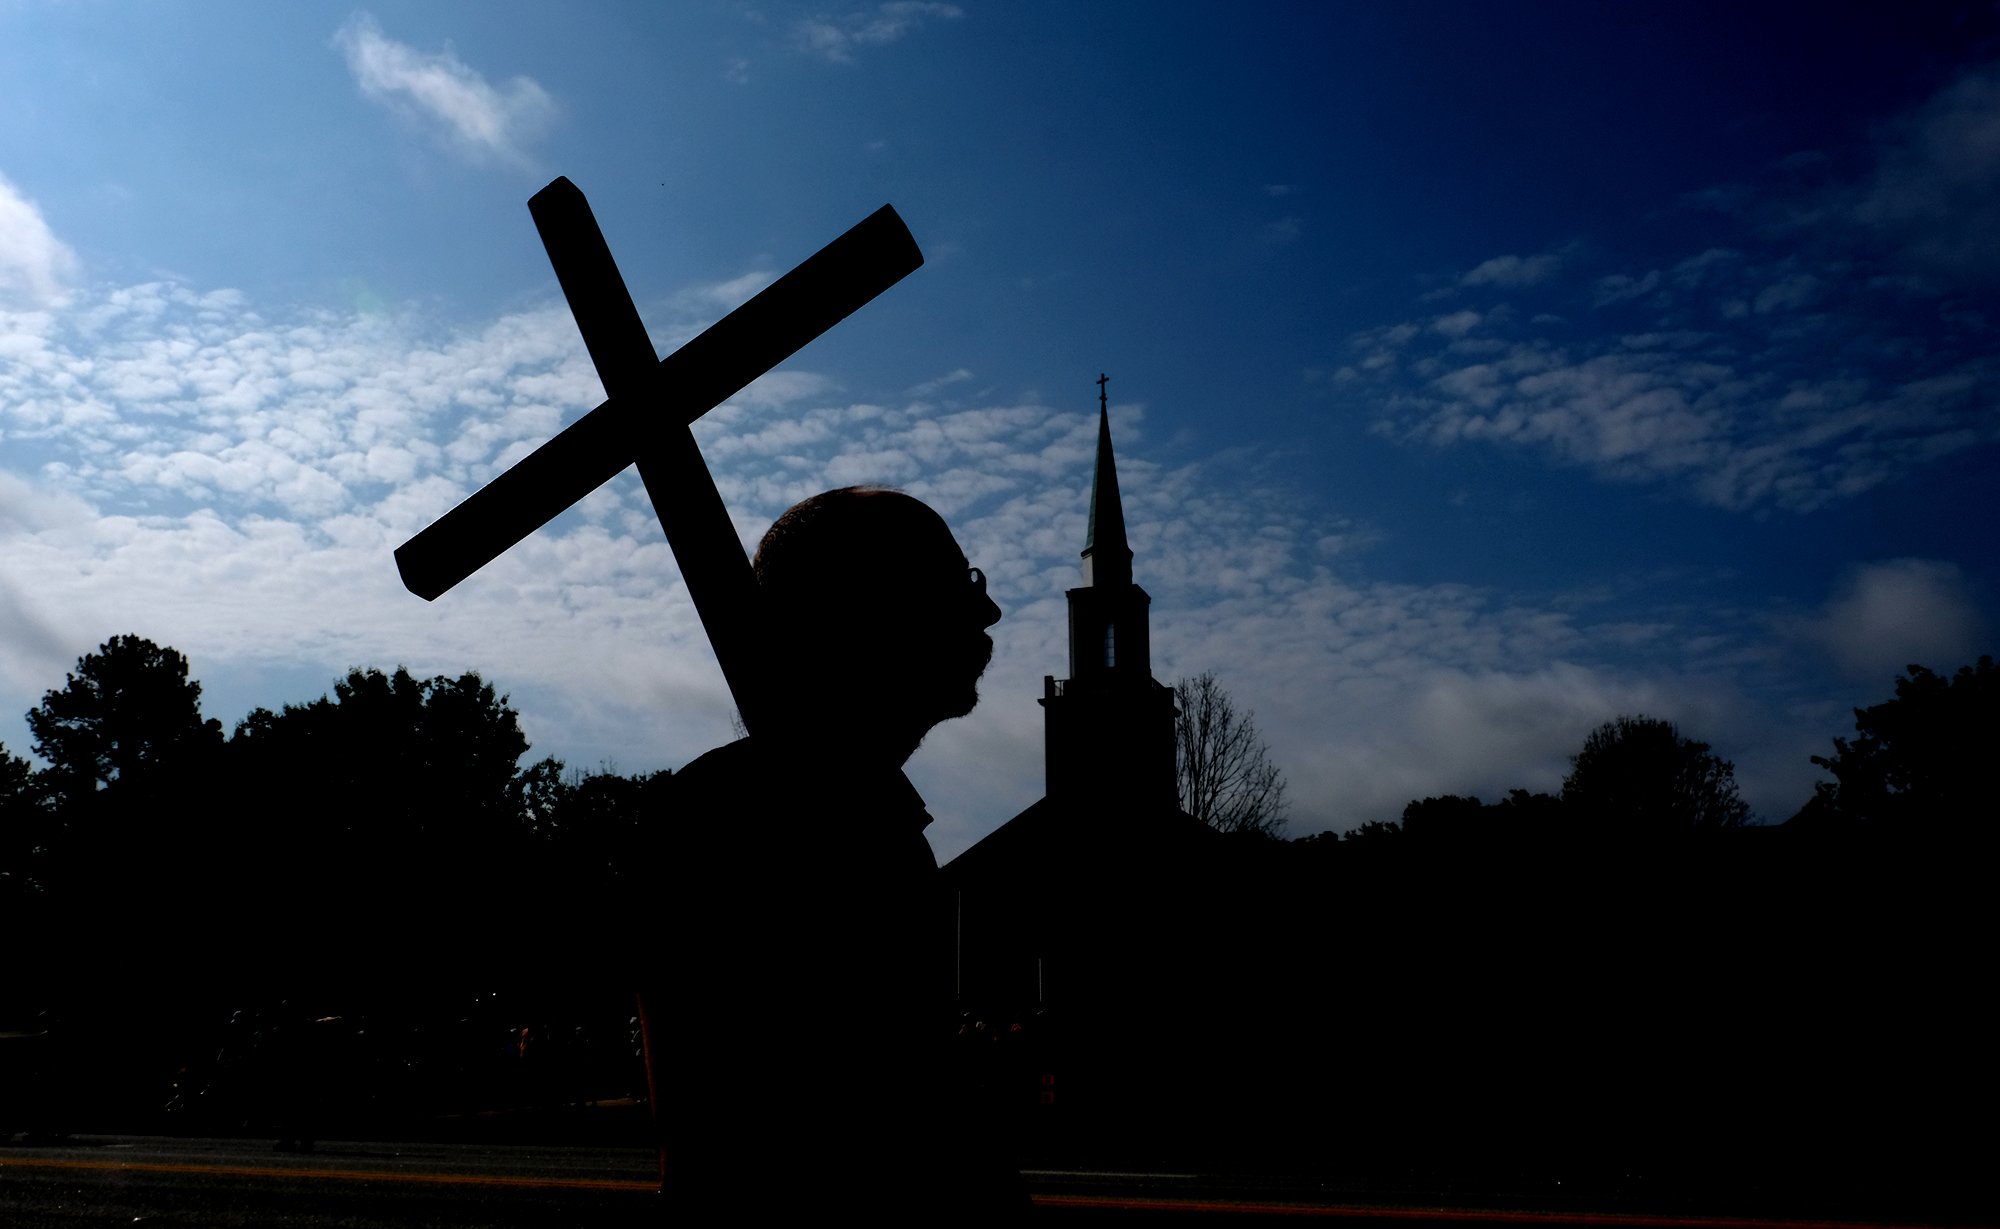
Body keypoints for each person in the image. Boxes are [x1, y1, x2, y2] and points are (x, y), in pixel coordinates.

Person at [647, 486, 1026, 1219]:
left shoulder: (878, 822)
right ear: (866, 610)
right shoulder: (743, 821)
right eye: (959, 584)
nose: (988, 611)